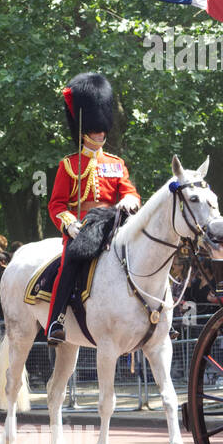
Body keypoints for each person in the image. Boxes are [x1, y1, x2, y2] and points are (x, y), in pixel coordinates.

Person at [45, 73, 140, 345]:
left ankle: (160, 315)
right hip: (82, 228)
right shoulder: (68, 165)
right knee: (70, 263)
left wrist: (131, 199)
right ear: (83, 130)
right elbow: (56, 204)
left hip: (113, 223)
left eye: (102, 129)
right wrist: (68, 223)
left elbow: (128, 190)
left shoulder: (115, 162)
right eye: (95, 130)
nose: (100, 134)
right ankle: (55, 321)